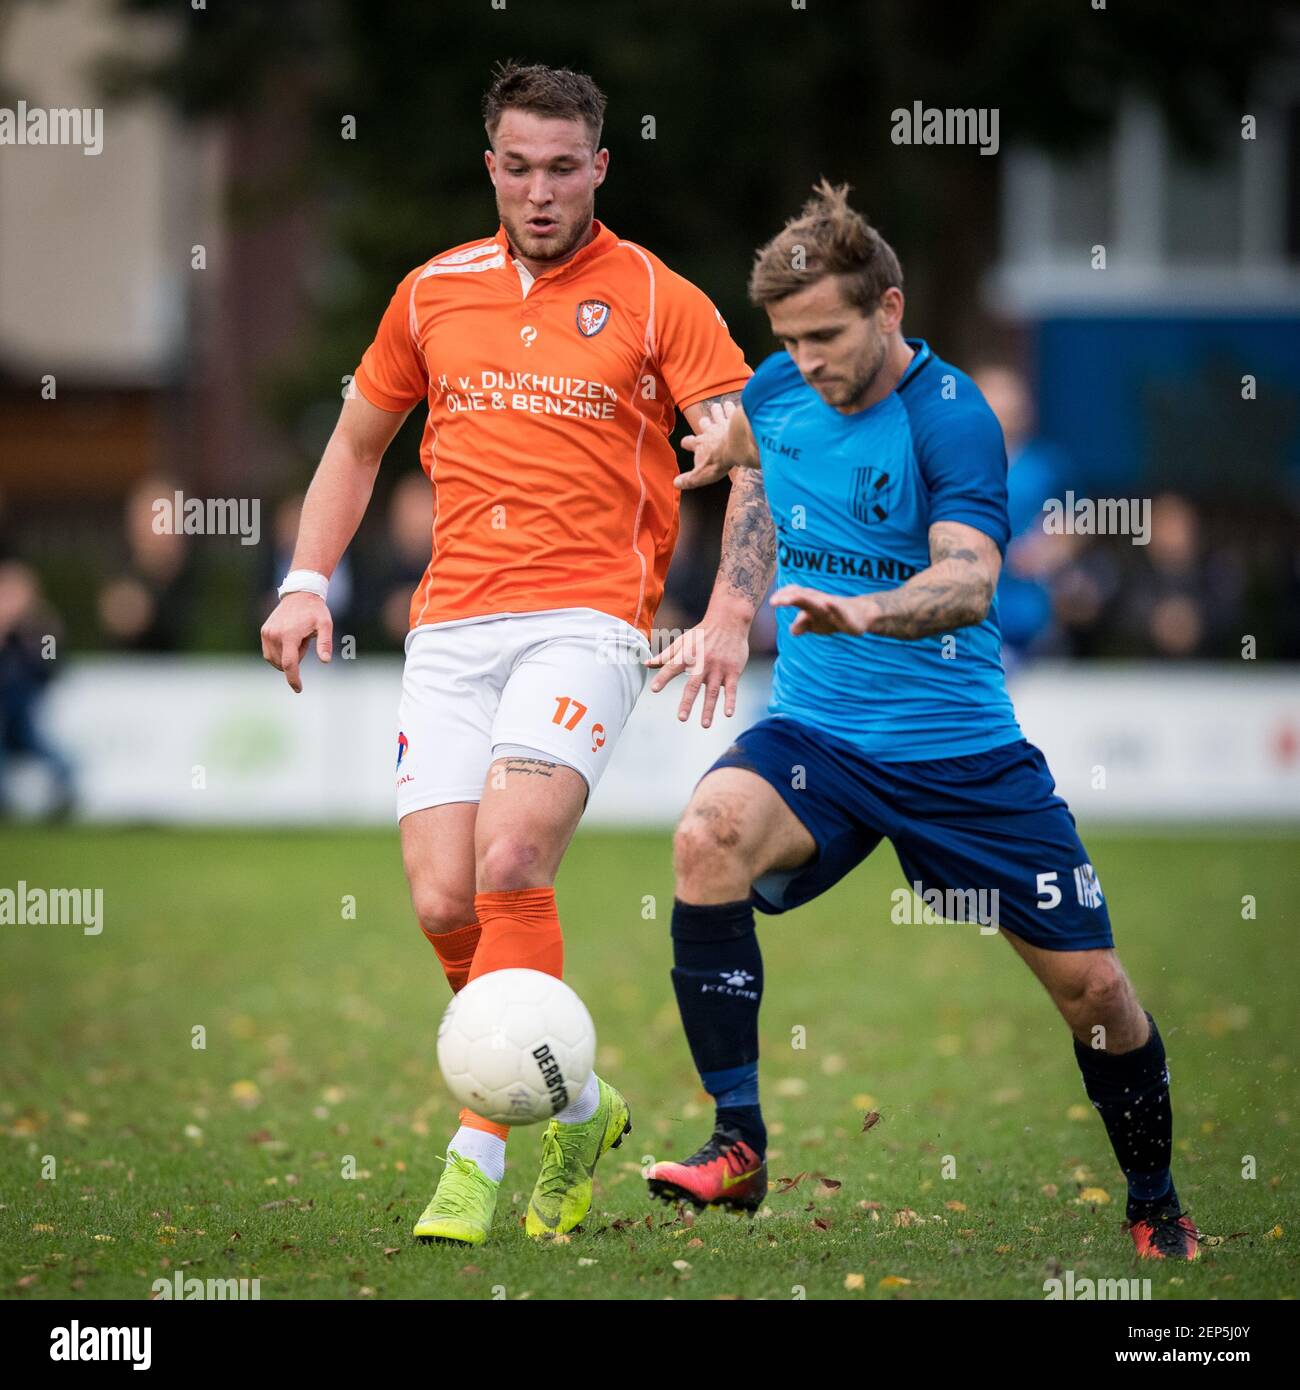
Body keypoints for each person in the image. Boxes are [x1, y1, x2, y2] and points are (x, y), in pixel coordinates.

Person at [644, 181, 1200, 1261]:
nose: (806, 361)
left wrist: (866, 608)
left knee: (1095, 991)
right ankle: (738, 1144)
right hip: (819, 738)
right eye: (789, 340)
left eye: (827, 335)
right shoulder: (779, 384)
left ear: (889, 309)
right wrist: (727, 589)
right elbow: (763, 465)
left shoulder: (952, 418)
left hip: (962, 757)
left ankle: (1153, 1197)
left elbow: (971, 580)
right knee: (705, 834)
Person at [260, 62, 757, 1246]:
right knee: (442, 897)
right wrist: (301, 580)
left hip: (589, 618)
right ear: (491, 167)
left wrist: (732, 609)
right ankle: (580, 1106)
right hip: (449, 626)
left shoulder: (655, 295)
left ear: (599, 166)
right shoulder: (429, 293)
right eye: (518, 167)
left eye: (563, 167)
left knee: (514, 858)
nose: (540, 191)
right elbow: (355, 444)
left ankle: (477, 1148)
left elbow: (750, 458)